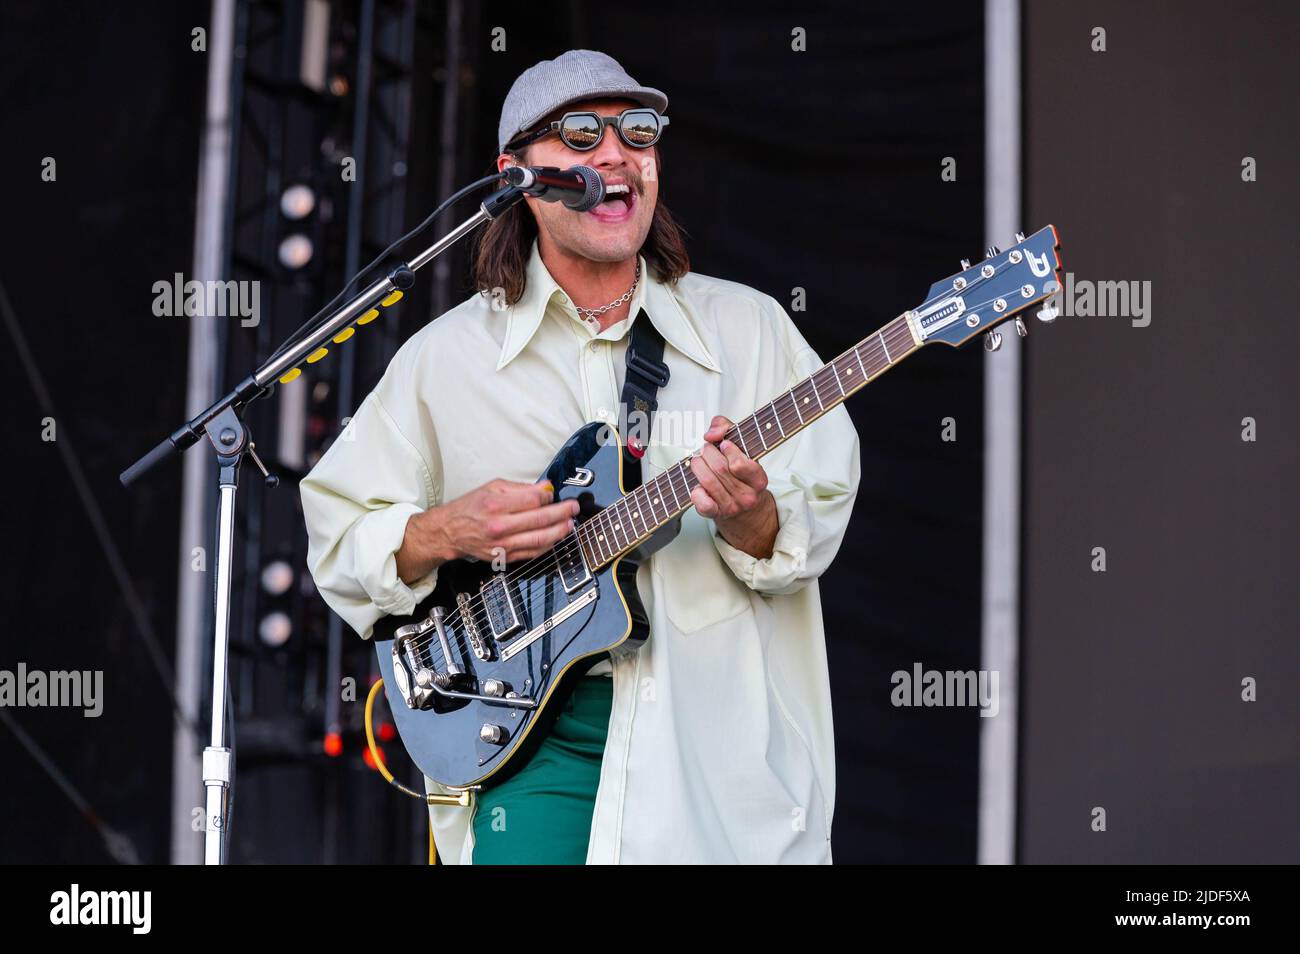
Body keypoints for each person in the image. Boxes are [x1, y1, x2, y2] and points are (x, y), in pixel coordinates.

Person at [301, 50, 860, 864]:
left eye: (638, 131)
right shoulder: (445, 361)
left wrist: (757, 519)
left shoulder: (753, 331)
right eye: (579, 133)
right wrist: (444, 531)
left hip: (715, 752)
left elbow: (820, 508)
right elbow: (339, 538)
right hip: (532, 745)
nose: (614, 153)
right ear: (516, 175)